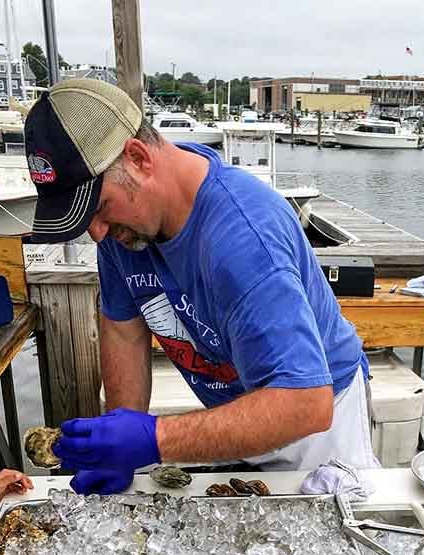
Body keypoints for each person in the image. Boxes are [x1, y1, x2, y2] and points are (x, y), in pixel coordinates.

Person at [24, 79, 378, 495]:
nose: (97, 234)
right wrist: (118, 447)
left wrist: (153, 441)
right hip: (235, 415)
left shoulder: (243, 238)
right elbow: (123, 329)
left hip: (319, 431)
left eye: (99, 209)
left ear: (138, 158)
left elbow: (305, 402)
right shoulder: (126, 230)